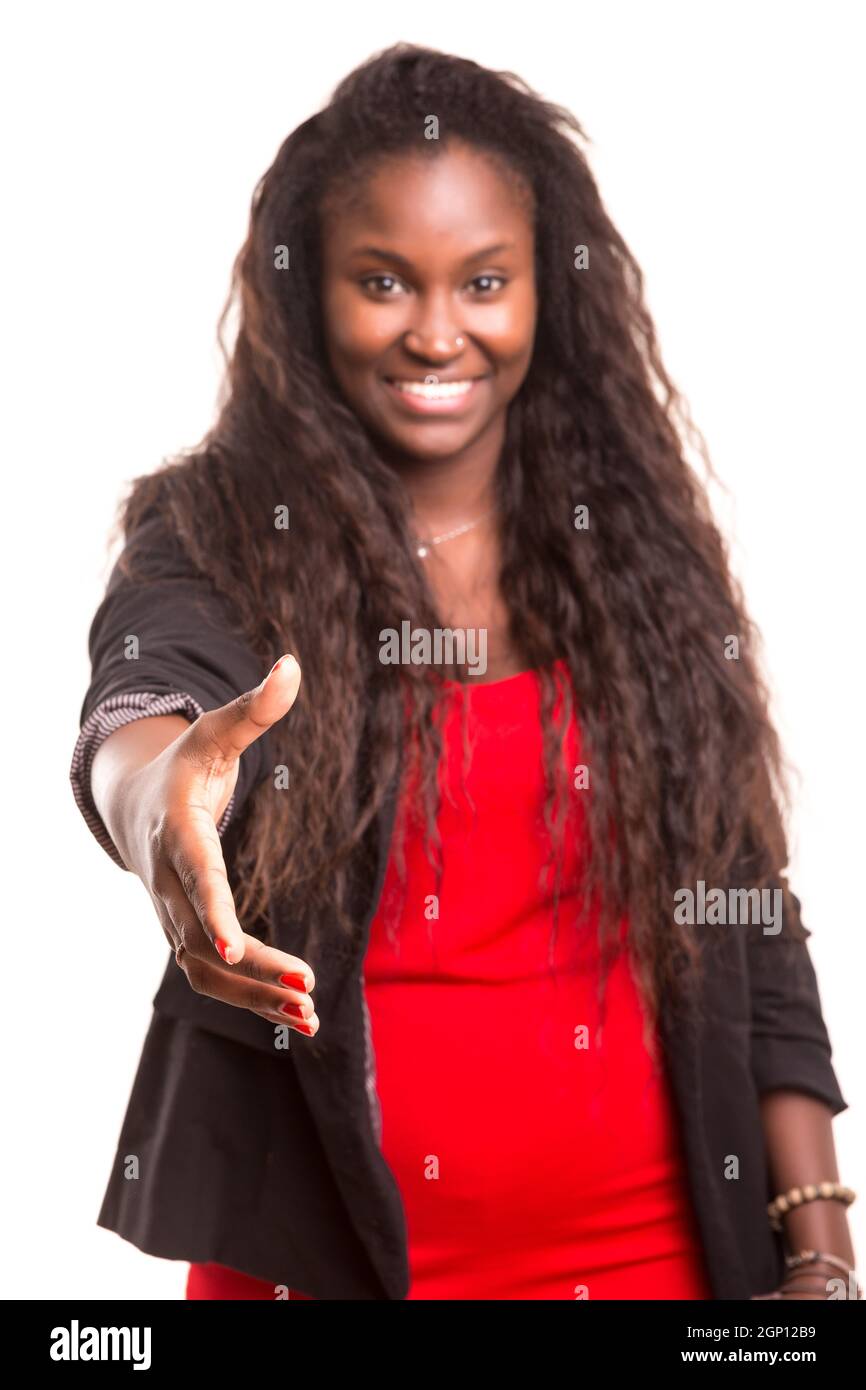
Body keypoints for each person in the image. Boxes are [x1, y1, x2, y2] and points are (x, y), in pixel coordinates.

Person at [70, 43, 855, 1301]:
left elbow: (744, 911)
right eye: (382, 281)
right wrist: (155, 797)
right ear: (309, 293)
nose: (437, 332)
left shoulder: (634, 546)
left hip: (653, 1268)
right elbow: (147, 688)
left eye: (482, 281)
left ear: (547, 289)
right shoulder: (219, 532)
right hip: (318, 1274)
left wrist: (816, 1255)